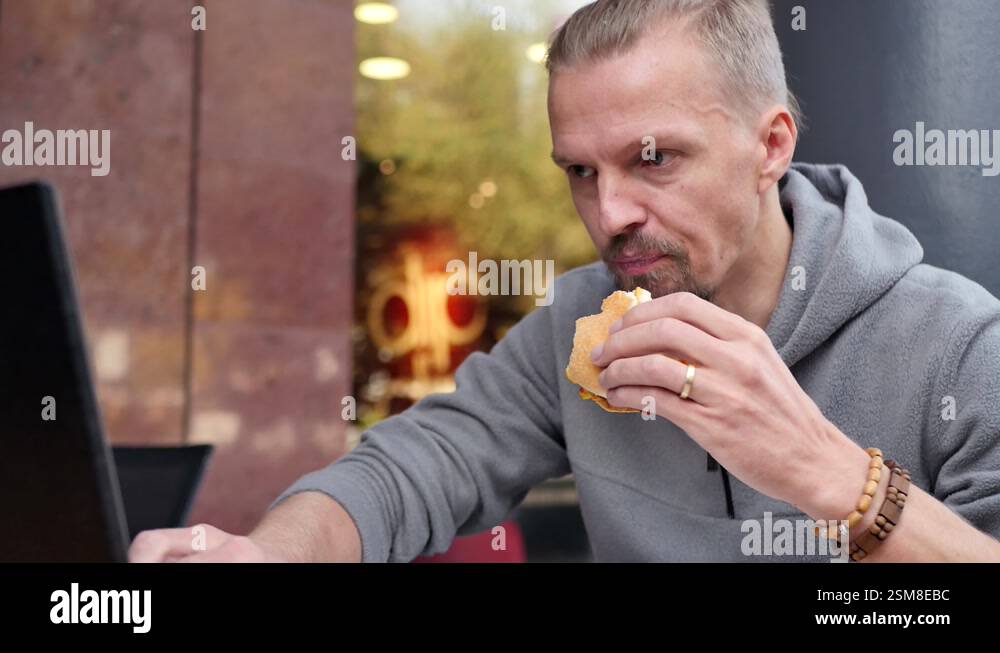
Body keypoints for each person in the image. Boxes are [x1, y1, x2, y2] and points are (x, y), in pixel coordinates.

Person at [130, 0, 1000, 563]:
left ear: (771, 145)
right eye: (580, 171)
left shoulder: (959, 344)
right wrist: (271, 554)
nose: (610, 210)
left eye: (652, 158)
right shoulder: (580, 323)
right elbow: (412, 467)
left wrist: (832, 475)